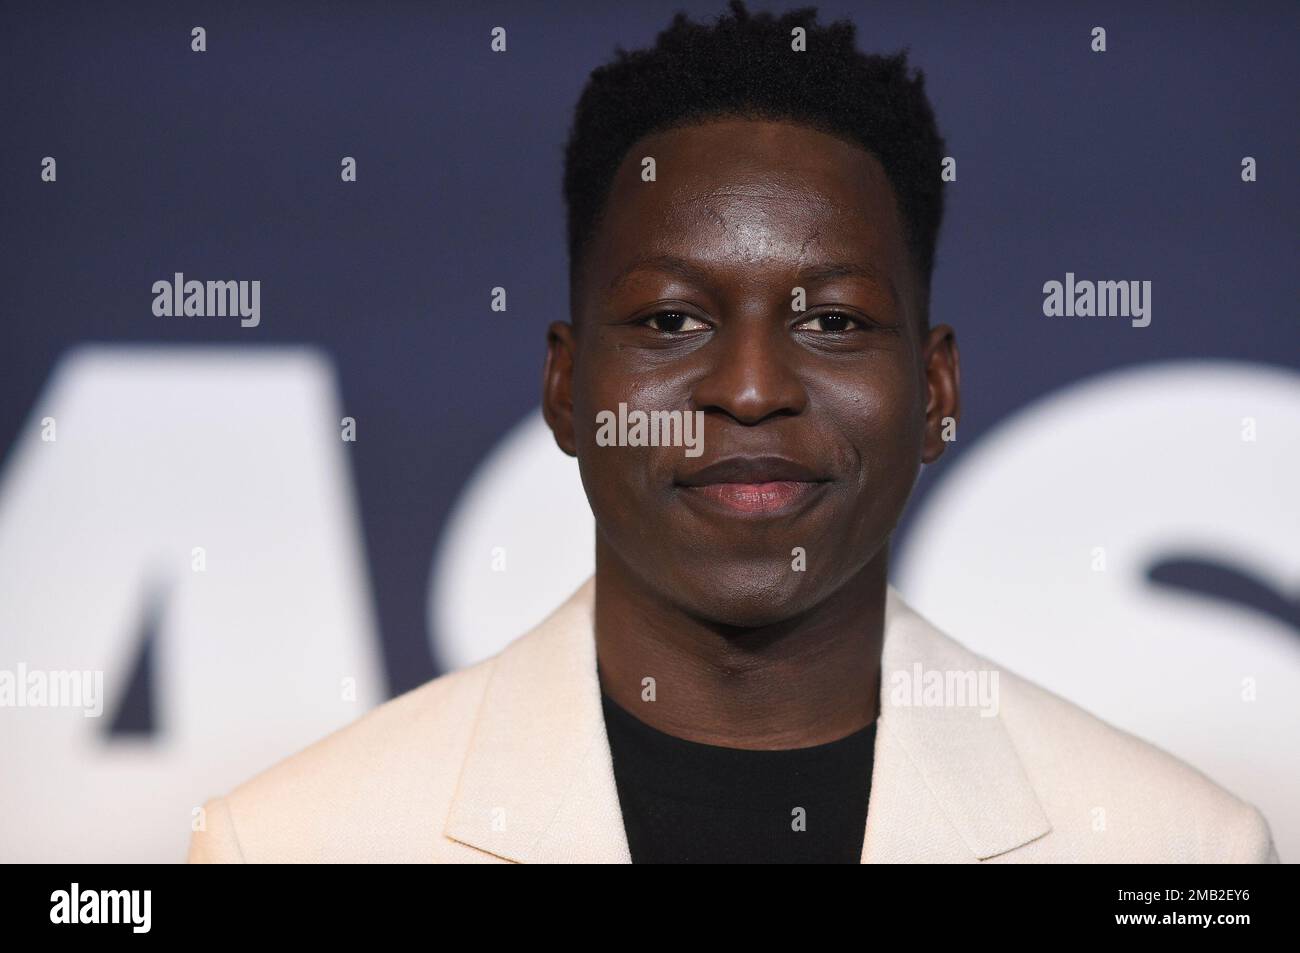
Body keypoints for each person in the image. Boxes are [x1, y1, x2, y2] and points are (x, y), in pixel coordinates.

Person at [188, 1, 1277, 863]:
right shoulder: (290, 841)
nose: (751, 391)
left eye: (834, 321)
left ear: (936, 389)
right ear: (566, 388)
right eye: (671, 321)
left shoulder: (1178, 850)